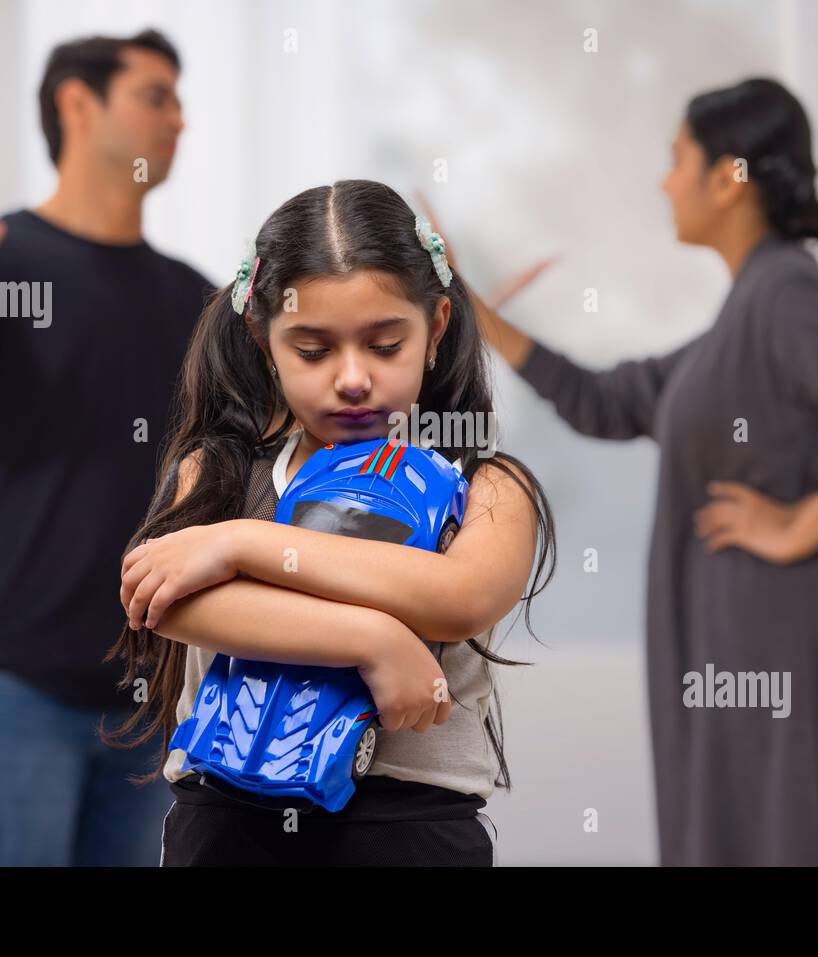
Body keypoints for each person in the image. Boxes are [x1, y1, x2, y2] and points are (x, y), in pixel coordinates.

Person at [467, 78, 818, 865]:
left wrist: (799, 523)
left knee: (789, 831)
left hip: (790, 628)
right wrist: (481, 320)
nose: (665, 180)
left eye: (677, 158)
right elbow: (607, 403)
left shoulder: (783, 292)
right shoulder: (748, 310)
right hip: (743, 633)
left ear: (730, 177)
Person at [106, 179, 557, 866]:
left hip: (407, 835)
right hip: (225, 831)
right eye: (313, 350)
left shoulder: (489, 485)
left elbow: (458, 597)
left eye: (384, 345)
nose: (352, 378)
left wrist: (237, 541)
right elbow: (165, 597)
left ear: (435, 326)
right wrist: (370, 635)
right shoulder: (219, 470)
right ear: (262, 340)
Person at [0, 29, 212, 866]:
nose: (178, 119)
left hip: (151, 695)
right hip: (16, 679)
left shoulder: (196, 300)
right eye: (155, 96)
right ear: (78, 103)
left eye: (179, 100)